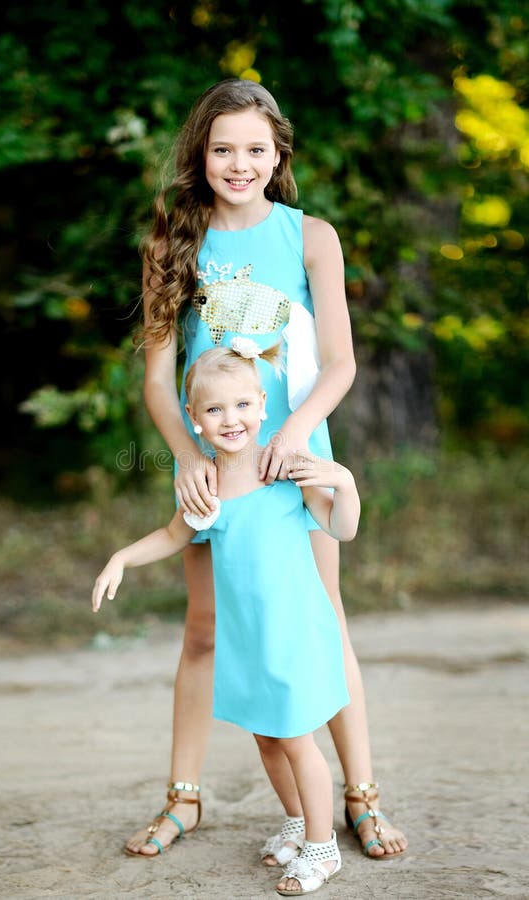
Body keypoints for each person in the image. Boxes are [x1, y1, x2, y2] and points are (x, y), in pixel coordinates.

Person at [125, 77, 407, 862]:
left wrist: (305, 434)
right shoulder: (172, 242)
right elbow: (156, 380)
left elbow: (342, 363)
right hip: (211, 467)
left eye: (255, 149)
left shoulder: (310, 236)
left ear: (278, 152)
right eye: (222, 149)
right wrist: (187, 461)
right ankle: (184, 797)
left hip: (295, 464)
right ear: (201, 155)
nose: (238, 163)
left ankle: (360, 794)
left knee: (323, 619)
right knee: (207, 629)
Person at [93, 341, 362, 895]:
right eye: (214, 410)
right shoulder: (207, 489)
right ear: (193, 419)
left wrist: (346, 484)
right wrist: (121, 557)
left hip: (292, 633)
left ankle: (321, 847)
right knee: (266, 737)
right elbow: (173, 537)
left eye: (241, 405)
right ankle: (295, 822)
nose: (230, 419)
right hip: (248, 639)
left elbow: (342, 530)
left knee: (295, 739)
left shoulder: (286, 473)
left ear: (264, 405)